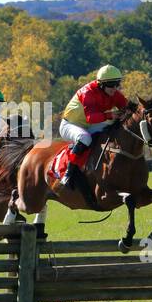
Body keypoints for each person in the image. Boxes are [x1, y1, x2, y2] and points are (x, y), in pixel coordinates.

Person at [58, 65, 129, 205]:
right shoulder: (88, 92)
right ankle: (69, 172)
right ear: (101, 84)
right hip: (70, 125)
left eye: (117, 84)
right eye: (111, 85)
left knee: (113, 129)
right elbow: (91, 118)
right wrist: (110, 114)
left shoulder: (113, 92)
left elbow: (126, 106)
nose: (115, 88)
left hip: (89, 124)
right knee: (85, 138)